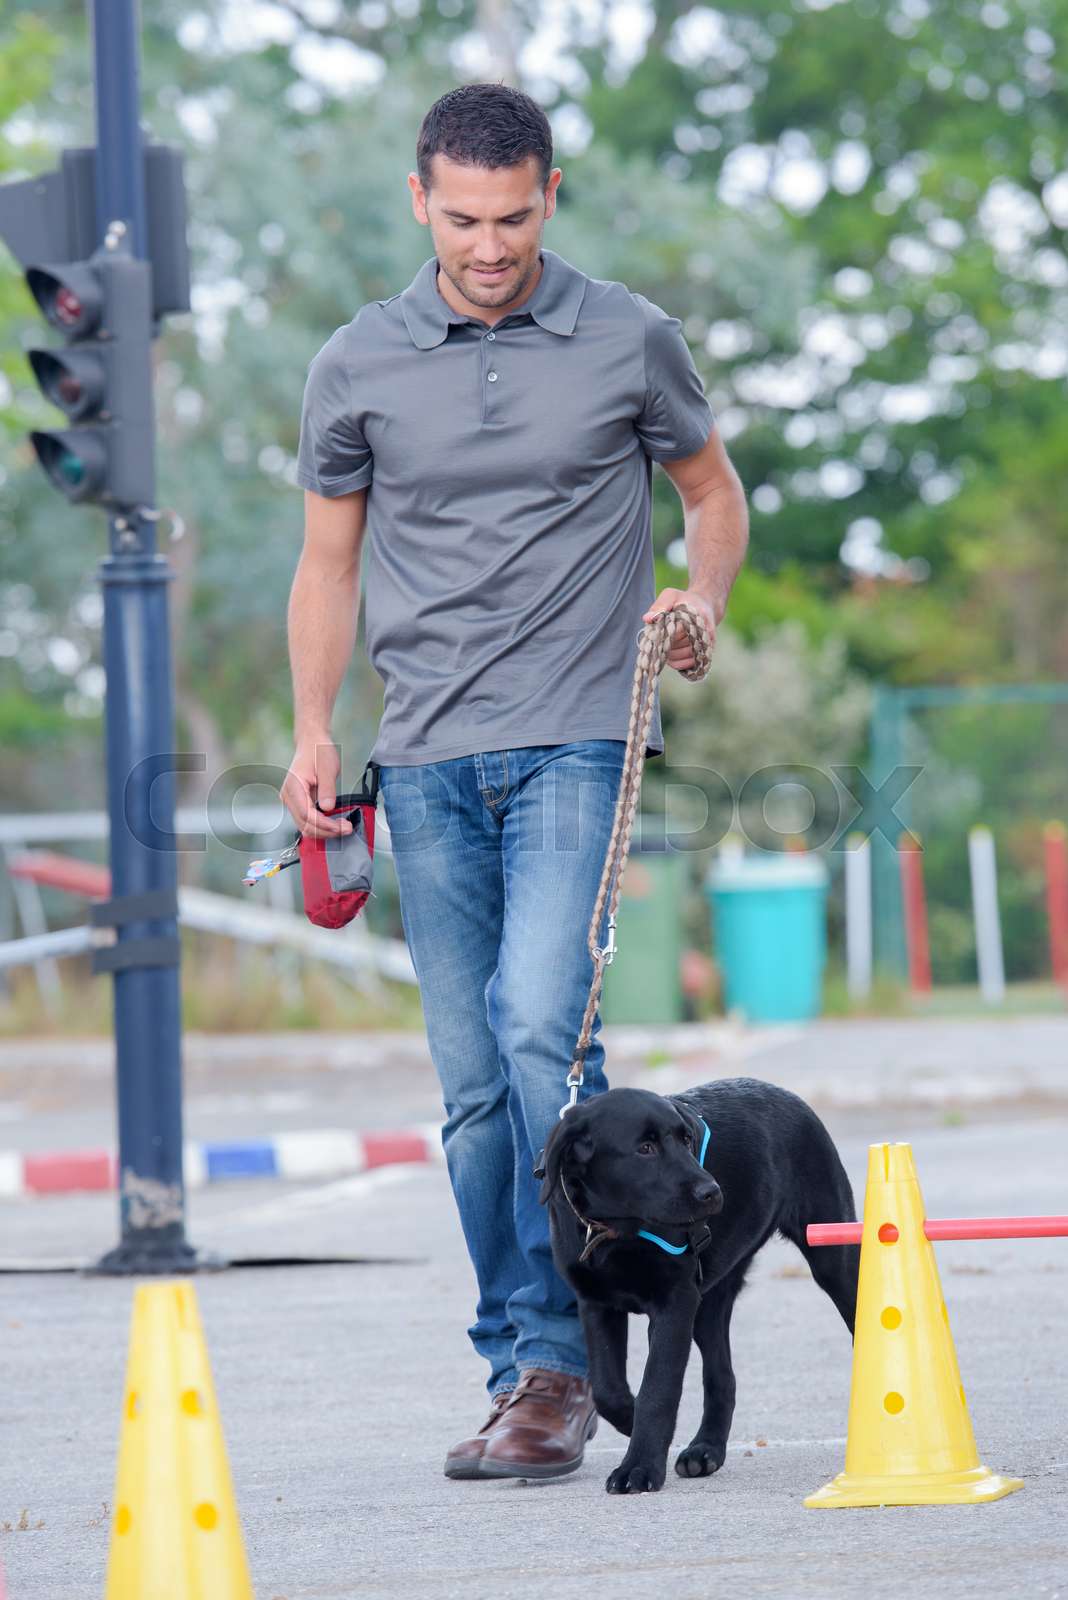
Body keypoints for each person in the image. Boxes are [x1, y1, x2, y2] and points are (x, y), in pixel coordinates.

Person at [281, 82, 748, 1481]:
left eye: (514, 217)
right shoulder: (356, 363)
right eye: (463, 220)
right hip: (424, 755)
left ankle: (570, 1360)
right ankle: (532, 1360)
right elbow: (327, 564)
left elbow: (712, 496)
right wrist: (312, 729)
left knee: (544, 1029)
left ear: (551, 196)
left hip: (579, 736)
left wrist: (702, 602)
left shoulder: (627, 335)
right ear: (420, 202)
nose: (489, 247)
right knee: (478, 1087)